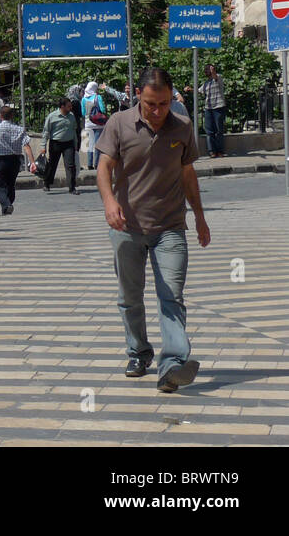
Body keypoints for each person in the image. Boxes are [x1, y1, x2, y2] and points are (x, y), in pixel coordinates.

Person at [96, 67, 210, 393]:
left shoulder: (183, 127)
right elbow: (104, 168)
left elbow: (188, 175)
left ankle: (172, 365)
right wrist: (108, 202)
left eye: (164, 104)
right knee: (130, 298)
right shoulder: (118, 124)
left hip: (170, 227)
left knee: (171, 296)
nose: (158, 112)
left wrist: (200, 216)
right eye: (150, 104)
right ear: (138, 98)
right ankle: (138, 352)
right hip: (126, 226)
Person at [0, 104, 38, 215]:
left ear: (1, 116)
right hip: (14, 160)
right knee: (10, 183)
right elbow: (26, 146)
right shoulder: (19, 129)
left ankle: (7, 205)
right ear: (12, 116)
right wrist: (32, 162)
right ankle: (7, 207)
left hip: (0, 159)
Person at [40, 97, 80, 194]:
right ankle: (47, 183)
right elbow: (46, 132)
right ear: (62, 107)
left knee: (71, 165)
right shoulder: (52, 116)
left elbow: (74, 130)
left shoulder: (71, 116)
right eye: (68, 106)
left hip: (69, 143)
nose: (71, 108)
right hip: (55, 143)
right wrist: (43, 146)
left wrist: (76, 144)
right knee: (52, 164)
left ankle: (72, 187)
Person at [196, 64, 227, 158]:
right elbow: (199, 91)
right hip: (208, 108)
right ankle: (212, 151)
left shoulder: (218, 78)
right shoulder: (206, 83)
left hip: (218, 107)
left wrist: (213, 71)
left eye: (208, 70)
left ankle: (220, 151)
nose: (207, 71)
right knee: (209, 131)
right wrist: (190, 89)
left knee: (219, 130)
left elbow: (215, 77)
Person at [82, 81, 109, 170]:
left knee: (90, 144)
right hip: (98, 123)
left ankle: (89, 164)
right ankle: (96, 164)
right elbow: (102, 109)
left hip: (88, 124)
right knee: (97, 144)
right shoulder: (98, 97)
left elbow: (83, 113)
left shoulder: (83, 99)